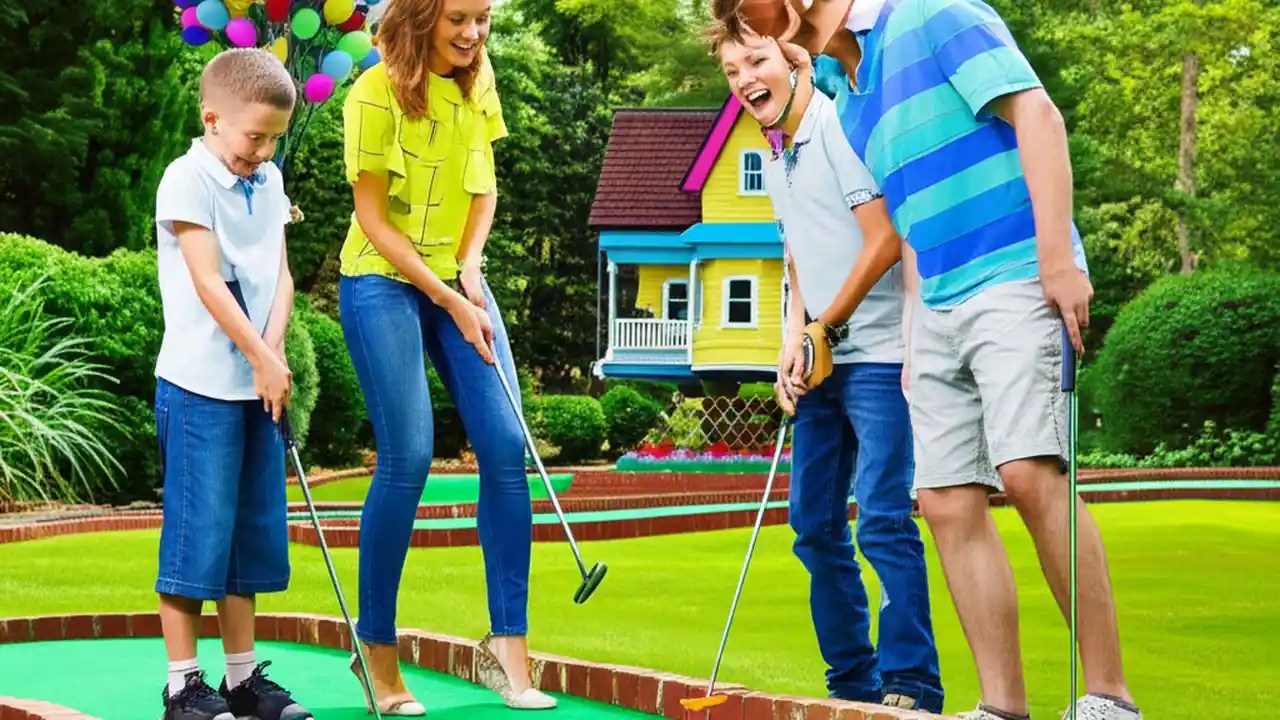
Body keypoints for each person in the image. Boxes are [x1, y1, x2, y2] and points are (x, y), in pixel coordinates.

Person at [730, 1, 1143, 719]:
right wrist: (919, 342)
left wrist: (1056, 261)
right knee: (946, 501)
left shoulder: (934, 13)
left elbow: (1039, 116)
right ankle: (1002, 706)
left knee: (1026, 470)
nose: (764, 26)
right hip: (940, 303)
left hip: (1015, 272)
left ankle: (1109, 696)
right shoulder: (850, 95)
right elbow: (912, 221)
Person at [706, 15, 944, 713]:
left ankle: (911, 684)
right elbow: (797, 255)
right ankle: (851, 685)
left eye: (755, 61)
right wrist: (792, 335)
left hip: (876, 358)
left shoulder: (838, 130)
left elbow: (886, 242)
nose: (746, 80)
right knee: (812, 524)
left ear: (796, 61)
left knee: (881, 519)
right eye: (732, 72)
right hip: (822, 357)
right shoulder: (775, 151)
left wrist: (824, 329)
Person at [338, 0, 556, 713]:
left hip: (455, 274)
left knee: (503, 443)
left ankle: (508, 647)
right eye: (459, 19)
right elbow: (373, 218)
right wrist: (449, 296)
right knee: (409, 456)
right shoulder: (372, 93)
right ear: (422, 16)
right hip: (382, 278)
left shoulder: (476, 80)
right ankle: (375, 651)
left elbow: (483, 188)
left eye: (483, 20)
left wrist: (470, 268)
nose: (473, 34)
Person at [152, 47, 310, 720]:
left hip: (253, 387)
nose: (264, 148)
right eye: (255, 136)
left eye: (274, 137)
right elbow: (209, 283)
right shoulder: (186, 180)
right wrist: (259, 357)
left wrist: (270, 355)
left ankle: (242, 682)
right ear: (212, 118)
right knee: (198, 536)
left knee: (249, 535)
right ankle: (183, 685)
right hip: (198, 389)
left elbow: (281, 277)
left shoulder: (267, 181)